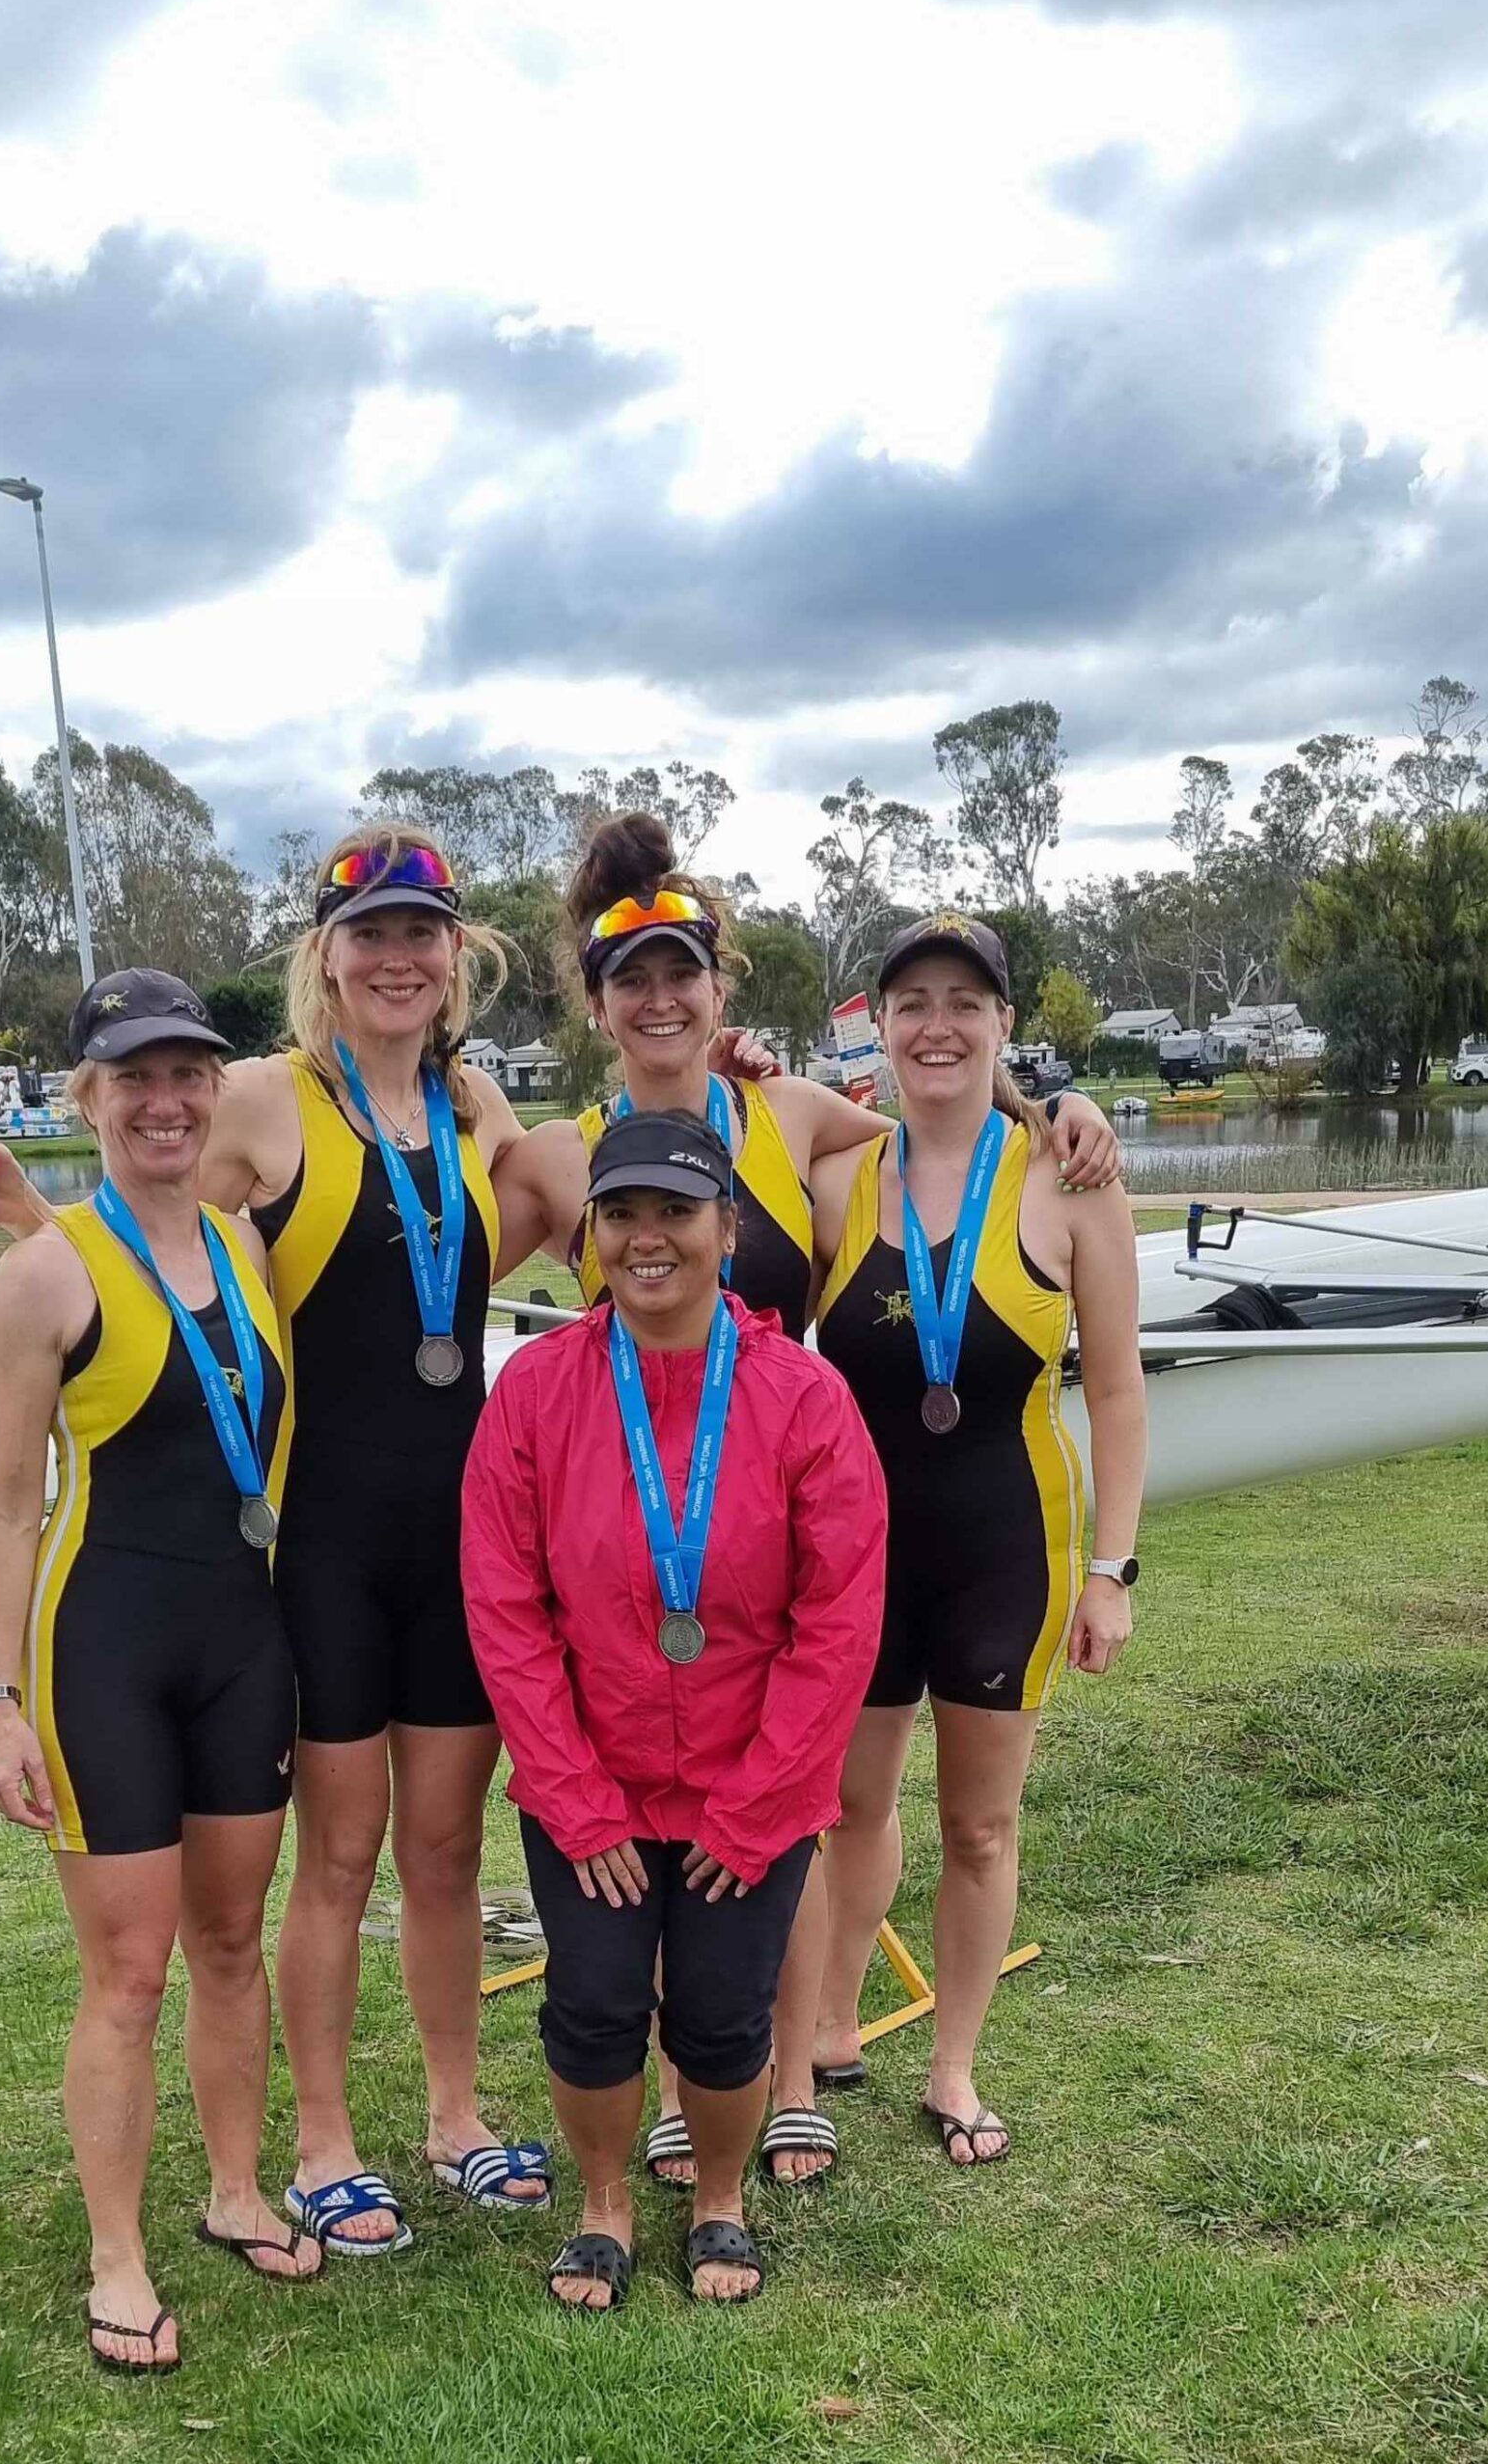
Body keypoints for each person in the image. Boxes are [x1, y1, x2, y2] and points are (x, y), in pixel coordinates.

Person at [0, 828, 551, 2251]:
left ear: (455, 957)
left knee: (449, 1849)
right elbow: (145, 1258)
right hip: (320, 1557)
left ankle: (455, 2116)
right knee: (339, 1859)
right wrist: (26, 1218)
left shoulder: (474, 1107)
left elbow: (568, 1205)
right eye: (367, 936)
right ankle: (325, 2142)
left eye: (421, 935)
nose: (396, 959)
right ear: (323, 960)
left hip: (455, 1550)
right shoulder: (261, 1100)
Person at [491, 814, 1124, 2188]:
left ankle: (783, 2074)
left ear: (722, 989)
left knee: (778, 1811)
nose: (661, 1002)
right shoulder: (558, 1153)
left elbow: (938, 1126)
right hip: (642, 1555)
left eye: (685, 977)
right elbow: (410, 1275)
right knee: (682, 1814)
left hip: (791, 1528)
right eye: (631, 982)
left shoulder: (788, 1118)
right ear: (596, 1005)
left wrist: (1056, 1105)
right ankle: (683, 2085)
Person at [462, 1109, 886, 2308]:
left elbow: (837, 1620)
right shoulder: (535, 1393)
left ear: (728, 1228)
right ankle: (602, 2205)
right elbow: (505, 1606)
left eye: (676, 1212)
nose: (649, 1239)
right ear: (588, 1232)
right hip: (587, 1783)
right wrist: (573, 1799)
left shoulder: (805, 1401)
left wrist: (756, 1807)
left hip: (750, 1786)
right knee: (592, 2007)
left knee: (720, 2017)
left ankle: (717, 2196)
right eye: (622, 1213)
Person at [0, 972, 319, 2377]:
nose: (166, 1100)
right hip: (103, 1650)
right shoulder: (41, 1271)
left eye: (187, 1073)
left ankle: (236, 2190)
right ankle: (118, 2255)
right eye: (134, 1077)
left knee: (234, 1943)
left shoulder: (243, 1241)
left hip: (245, 1645)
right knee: (128, 1970)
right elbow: (3, 1505)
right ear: (88, 1098)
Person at [810, 914, 1146, 2165]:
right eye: (912, 1005)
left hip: (1008, 1546)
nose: (937, 1026)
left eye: (965, 1003)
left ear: (1004, 1026)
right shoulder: (839, 1177)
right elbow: (751, 1124)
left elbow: (1114, 1389)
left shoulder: (1069, 1179)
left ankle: (951, 2068)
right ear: (881, 1029)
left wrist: (1112, 1571)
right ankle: (830, 2025)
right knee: (847, 1801)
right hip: (855, 1558)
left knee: (979, 1826)